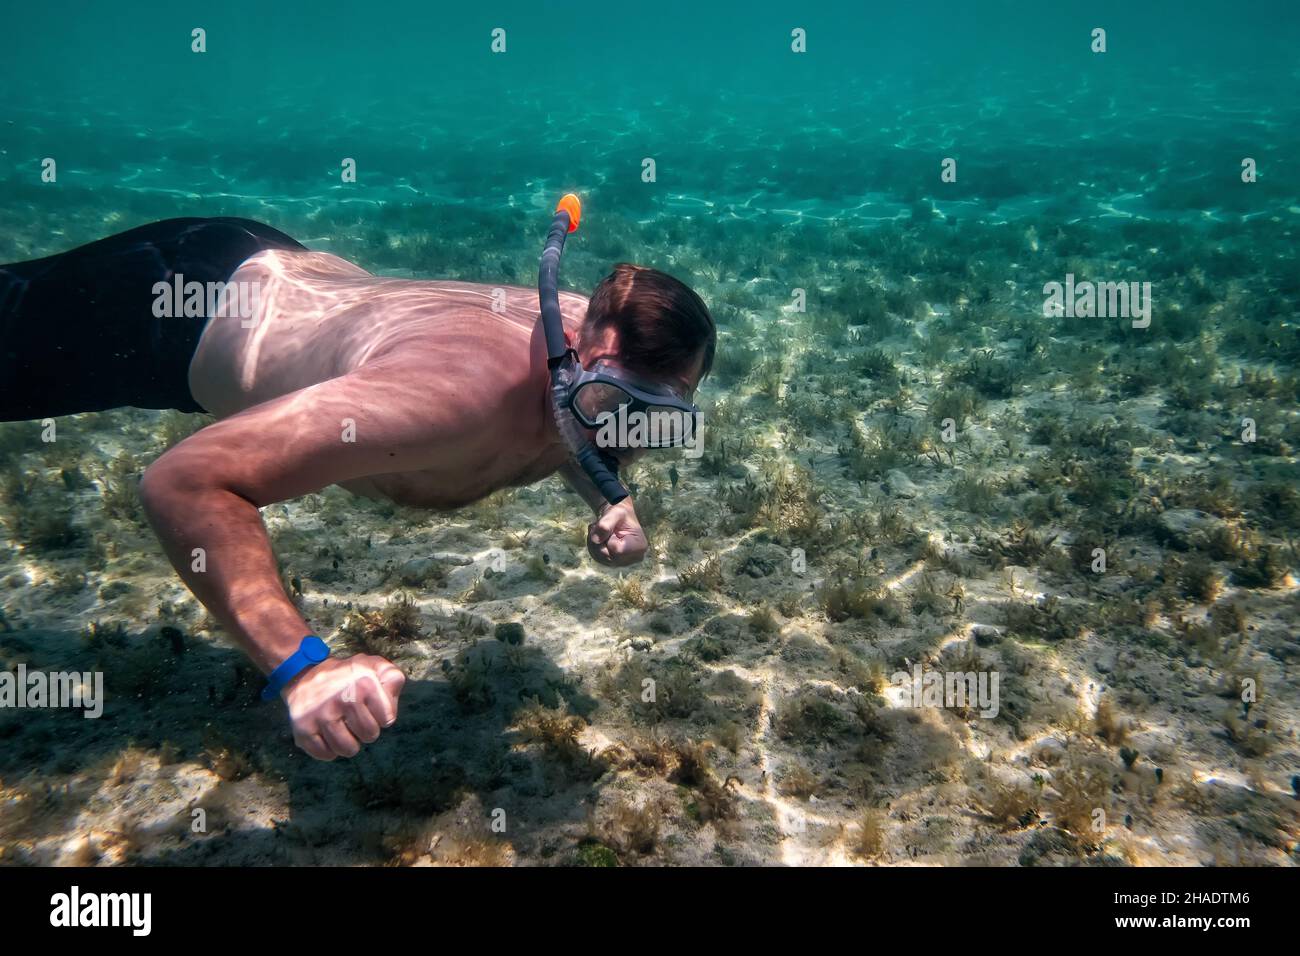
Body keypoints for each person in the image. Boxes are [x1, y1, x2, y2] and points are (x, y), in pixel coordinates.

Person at [0, 201, 715, 760]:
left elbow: (574, 426)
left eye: (656, 423)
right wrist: (303, 669)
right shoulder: (454, 399)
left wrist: (609, 495)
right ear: (577, 357)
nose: (618, 436)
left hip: (276, 267)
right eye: (611, 409)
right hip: (168, 306)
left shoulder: (578, 356)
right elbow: (184, 482)